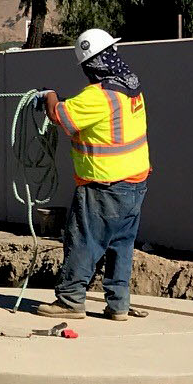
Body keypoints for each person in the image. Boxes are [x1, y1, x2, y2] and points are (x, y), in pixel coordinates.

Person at [33, 29, 151, 321]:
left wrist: (48, 96)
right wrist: (59, 102)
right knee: (120, 244)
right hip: (135, 182)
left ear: (90, 64)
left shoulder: (98, 96)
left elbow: (62, 116)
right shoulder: (131, 87)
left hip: (104, 183)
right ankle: (118, 304)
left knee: (84, 240)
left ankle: (71, 299)